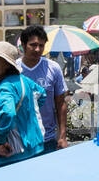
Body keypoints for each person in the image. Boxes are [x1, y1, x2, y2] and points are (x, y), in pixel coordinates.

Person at [0, 41, 46, 167]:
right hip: (34, 146)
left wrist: (0, 140)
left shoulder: (5, 87)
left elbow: (8, 113)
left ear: (7, 64)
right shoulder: (24, 80)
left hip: (12, 152)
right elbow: (42, 95)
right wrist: (26, 113)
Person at [17, 25, 68, 154]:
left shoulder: (53, 68)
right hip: (20, 140)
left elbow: (61, 103)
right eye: (33, 45)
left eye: (41, 45)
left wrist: (62, 136)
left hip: (47, 139)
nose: (37, 49)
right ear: (23, 45)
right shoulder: (14, 70)